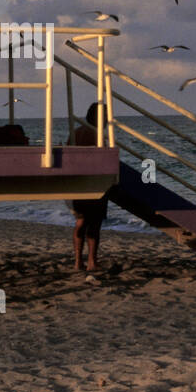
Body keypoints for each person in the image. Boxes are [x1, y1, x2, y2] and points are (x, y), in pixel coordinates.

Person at [69, 102, 110, 272]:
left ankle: (78, 261)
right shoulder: (98, 135)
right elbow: (104, 160)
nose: (108, 120)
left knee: (81, 221)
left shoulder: (76, 133)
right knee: (94, 224)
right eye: (106, 116)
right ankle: (92, 261)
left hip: (77, 182)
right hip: (95, 182)